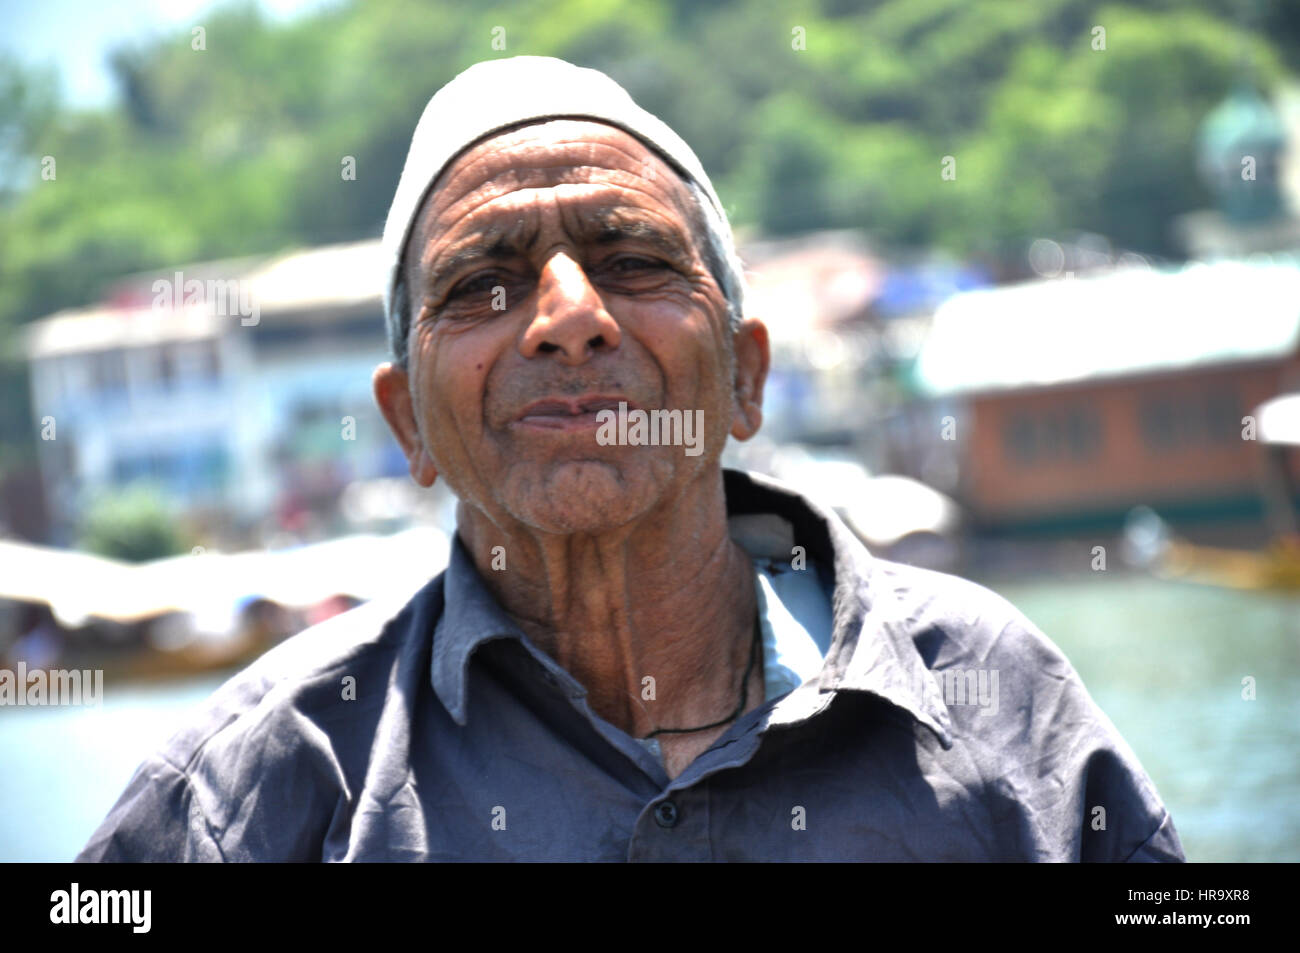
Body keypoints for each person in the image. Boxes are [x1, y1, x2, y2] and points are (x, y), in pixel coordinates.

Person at [77, 56, 1184, 862]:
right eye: (483, 285)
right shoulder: (256, 786)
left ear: (745, 376)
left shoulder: (994, 696)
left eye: (632, 259)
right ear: (407, 419)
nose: (566, 317)